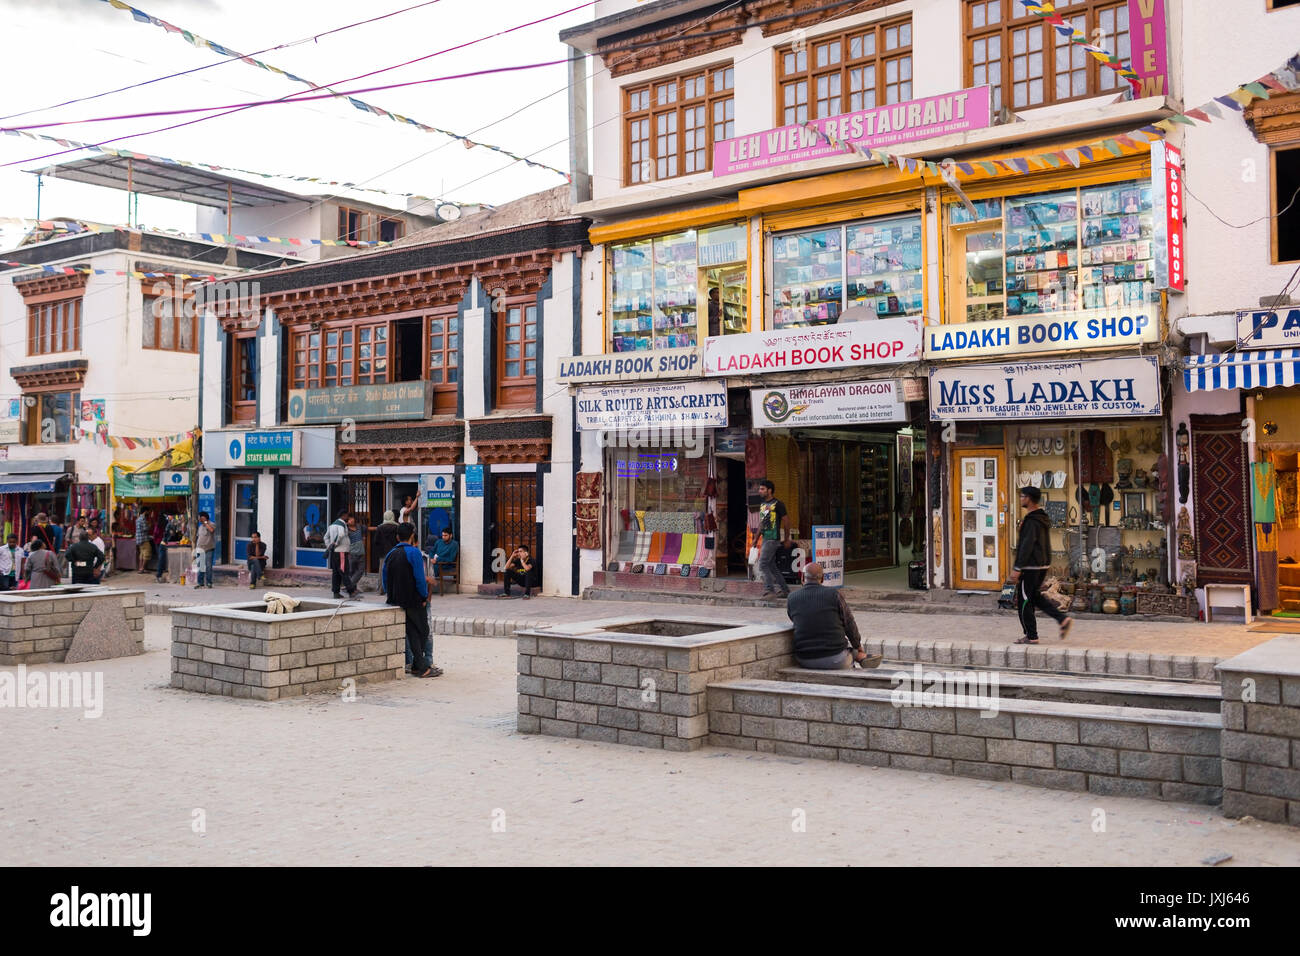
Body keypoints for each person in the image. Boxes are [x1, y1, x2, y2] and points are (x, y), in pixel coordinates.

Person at [1011, 486, 1073, 644]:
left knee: (1024, 600)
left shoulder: (1031, 521)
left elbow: (1026, 545)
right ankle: (1062, 619)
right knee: (1035, 597)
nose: (1021, 498)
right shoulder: (1041, 518)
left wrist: (1017, 568)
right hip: (1042, 564)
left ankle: (1031, 636)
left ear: (1029, 499)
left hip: (1031, 566)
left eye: (1023, 496)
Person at [785, 562, 874, 669]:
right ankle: (859, 655)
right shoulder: (834, 594)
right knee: (846, 654)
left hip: (805, 659)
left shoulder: (791, 598)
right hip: (836, 658)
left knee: (845, 652)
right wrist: (858, 646)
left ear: (803, 578)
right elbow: (849, 623)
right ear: (822, 579)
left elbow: (794, 619)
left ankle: (857, 655)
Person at [382, 522, 441, 679]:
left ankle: (417, 666)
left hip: (396, 600)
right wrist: (423, 597)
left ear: (397, 537)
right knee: (423, 631)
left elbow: (384, 578)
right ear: (412, 536)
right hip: (413, 599)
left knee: (412, 632)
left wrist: (391, 595)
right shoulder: (414, 553)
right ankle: (421, 667)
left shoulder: (391, 554)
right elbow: (419, 578)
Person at [757, 478, 790, 600]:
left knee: (763, 564)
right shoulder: (763, 505)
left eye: (762, 489)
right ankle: (785, 590)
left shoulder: (778, 504)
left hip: (773, 539)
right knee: (771, 566)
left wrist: (786, 539)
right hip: (766, 538)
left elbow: (786, 522)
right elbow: (762, 524)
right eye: (759, 489)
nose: (759, 491)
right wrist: (756, 540)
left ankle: (769, 591)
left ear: (769, 491)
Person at [322, 508, 350, 599]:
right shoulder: (341, 524)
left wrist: (329, 546)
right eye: (347, 515)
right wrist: (336, 543)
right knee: (343, 570)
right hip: (341, 551)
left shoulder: (332, 525)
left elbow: (325, 537)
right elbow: (341, 534)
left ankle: (336, 592)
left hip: (334, 552)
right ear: (344, 515)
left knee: (336, 572)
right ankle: (351, 591)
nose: (348, 517)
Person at [373, 510, 400, 594]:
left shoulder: (380, 527)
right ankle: (393, 590)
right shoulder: (397, 527)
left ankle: (381, 590)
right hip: (394, 552)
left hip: (383, 553)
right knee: (395, 571)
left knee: (382, 571)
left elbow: (376, 541)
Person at [428, 526, 459, 594]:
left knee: (428, 570)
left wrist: (437, 560)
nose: (443, 537)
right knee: (424, 564)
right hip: (434, 562)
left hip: (445, 565)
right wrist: (432, 558)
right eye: (442, 535)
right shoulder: (439, 542)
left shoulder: (454, 544)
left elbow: (451, 559)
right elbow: (432, 551)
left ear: (450, 535)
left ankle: (426, 588)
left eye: (445, 535)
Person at [345, 515, 366, 599]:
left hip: (361, 552)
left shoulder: (359, 526)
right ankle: (352, 589)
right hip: (352, 553)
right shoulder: (346, 530)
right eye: (349, 519)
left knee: (360, 570)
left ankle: (349, 585)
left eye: (351, 518)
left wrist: (363, 537)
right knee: (352, 571)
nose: (351, 520)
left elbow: (366, 528)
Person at [194, 511, 216, 589]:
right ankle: (200, 583)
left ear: (204, 517)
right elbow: (198, 537)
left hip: (209, 549)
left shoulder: (211, 524)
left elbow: (211, 530)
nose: (199, 519)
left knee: (208, 566)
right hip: (200, 549)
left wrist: (205, 522)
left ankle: (209, 582)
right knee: (200, 567)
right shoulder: (200, 527)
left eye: (200, 517)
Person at [135, 507, 151, 573]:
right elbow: (145, 528)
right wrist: (149, 525)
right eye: (148, 511)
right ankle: (142, 569)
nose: (148, 513)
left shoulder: (138, 519)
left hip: (139, 539)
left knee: (141, 554)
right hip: (144, 539)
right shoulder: (143, 518)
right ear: (145, 511)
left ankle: (140, 568)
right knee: (147, 553)